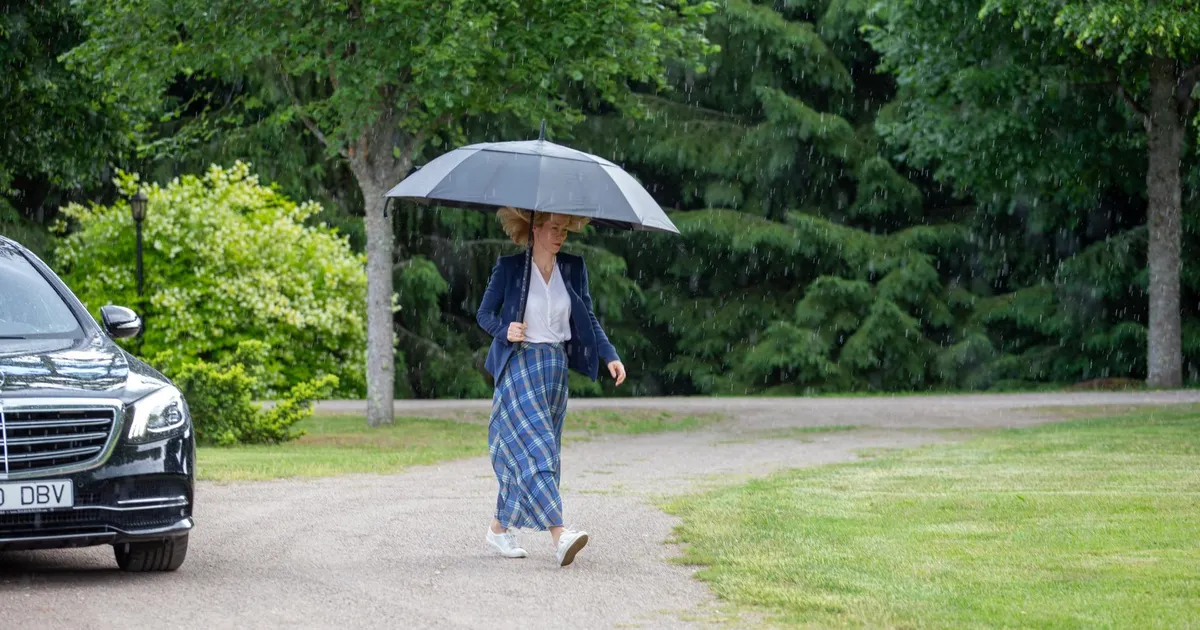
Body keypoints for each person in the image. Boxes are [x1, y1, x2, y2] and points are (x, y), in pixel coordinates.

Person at [475, 206, 627, 567]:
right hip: (520, 364)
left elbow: (587, 316)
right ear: (535, 229)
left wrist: (609, 354)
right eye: (554, 228)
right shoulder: (511, 268)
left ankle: (498, 528)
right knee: (539, 448)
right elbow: (484, 314)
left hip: (555, 367)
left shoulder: (572, 268)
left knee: (542, 452)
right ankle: (561, 535)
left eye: (564, 230)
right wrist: (505, 330)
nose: (560, 236)